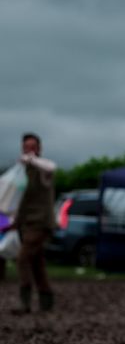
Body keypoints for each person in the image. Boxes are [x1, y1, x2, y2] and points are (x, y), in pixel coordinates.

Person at [11, 133, 57, 313]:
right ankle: (47, 300)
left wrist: (31, 159)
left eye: (33, 147)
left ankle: (25, 303)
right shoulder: (21, 172)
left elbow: (51, 167)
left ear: (39, 148)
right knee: (36, 262)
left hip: (41, 223)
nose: (29, 150)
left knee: (22, 259)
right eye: (26, 147)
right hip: (26, 223)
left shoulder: (43, 168)